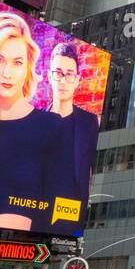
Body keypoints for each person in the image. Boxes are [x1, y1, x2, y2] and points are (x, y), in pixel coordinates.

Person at [0, 9, 62, 231]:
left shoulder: (50, 126)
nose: (6, 72)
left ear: (28, 68)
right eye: (0, 59)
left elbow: (59, 201)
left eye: (17, 62)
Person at [46, 42, 100, 230]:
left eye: (69, 74)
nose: (62, 80)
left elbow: (93, 171)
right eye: (58, 73)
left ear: (77, 80)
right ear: (49, 76)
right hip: (36, 214)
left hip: (72, 217)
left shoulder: (90, 123)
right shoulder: (34, 121)